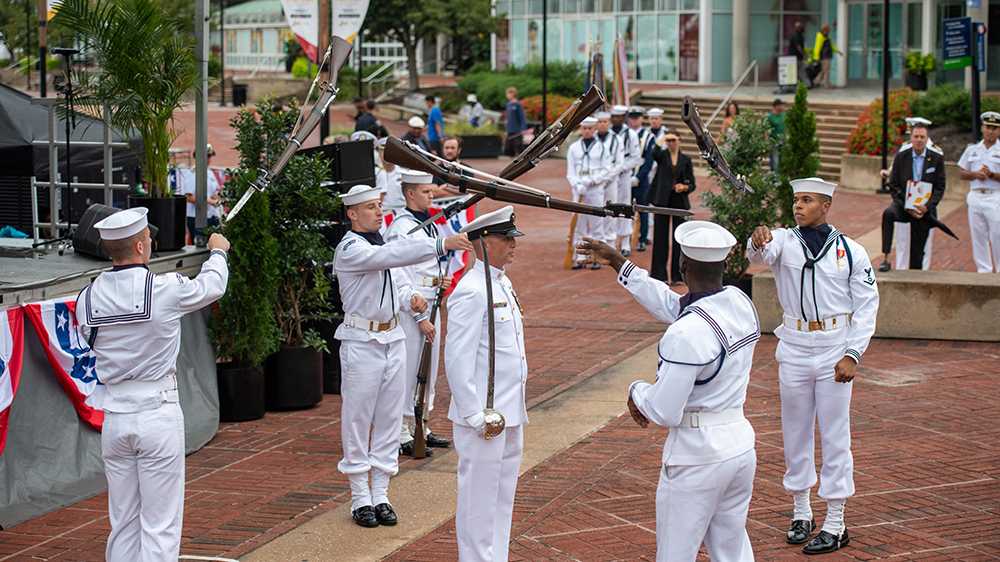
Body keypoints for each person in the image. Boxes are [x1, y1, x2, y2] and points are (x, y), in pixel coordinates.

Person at [576, 221, 760, 562]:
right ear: (722, 265)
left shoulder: (686, 333)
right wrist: (621, 264)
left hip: (697, 455)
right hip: (739, 447)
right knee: (732, 550)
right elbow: (675, 305)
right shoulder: (739, 302)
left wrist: (637, 390)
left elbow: (663, 411)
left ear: (683, 266)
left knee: (676, 554)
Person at [75, 208, 230, 561]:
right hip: (156, 410)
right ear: (143, 246)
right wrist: (218, 252)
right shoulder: (164, 289)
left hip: (115, 416)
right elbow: (212, 286)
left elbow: (90, 337)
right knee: (160, 525)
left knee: (124, 521)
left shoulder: (87, 298)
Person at [748, 177, 879, 555]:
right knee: (795, 431)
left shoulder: (851, 251)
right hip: (794, 345)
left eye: (807, 200)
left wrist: (853, 353)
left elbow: (867, 304)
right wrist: (756, 241)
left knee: (835, 434)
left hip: (834, 347)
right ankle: (801, 510)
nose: (798, 206)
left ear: (826, 205)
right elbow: (759, 256)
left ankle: (836, 521)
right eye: (796, 200)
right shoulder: (782, 240)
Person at [333, 184, 473, 528]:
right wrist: (442, 243)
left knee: (390, 417)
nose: (378, 211)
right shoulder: (351, 248)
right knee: (357, 419)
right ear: (352, 214)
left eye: (378, 205)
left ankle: (380, 493)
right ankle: (359, 496)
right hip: (361, 340)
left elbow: (397, 277)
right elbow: (390, 258)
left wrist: (413, 296)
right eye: (369, 207)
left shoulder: (380, 244)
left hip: (393, 337)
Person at [445, 205, 527, 562]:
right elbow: (457, 358)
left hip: (510, 413)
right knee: (479, 502)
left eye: (512, 238)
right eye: (505, 238)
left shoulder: (502, 283)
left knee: (501, 499)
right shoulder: (472, 290)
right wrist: (474, 414)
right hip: (484, 418)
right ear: (482, 242)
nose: (513, 245)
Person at [385, 172, 454, 457]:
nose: (431, 195)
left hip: (432, 302)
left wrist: (442, 282)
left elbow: (433, 263)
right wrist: (418, 317)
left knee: (429, 368)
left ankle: (421, 425)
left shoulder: (426, 225)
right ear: (410, 194)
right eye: (425, 192)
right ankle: (401, 429)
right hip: (413, 307)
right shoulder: (403, 228)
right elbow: (400, 275)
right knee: (411, 369)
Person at [878, 122, 946, 272]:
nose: (919, 139)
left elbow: (940, 187)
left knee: (917, 254)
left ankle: (916, 271)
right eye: (916, 136)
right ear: (912, 137)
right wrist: (906, 206)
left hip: (924, 209)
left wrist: (927, 207)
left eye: (922, 137)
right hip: (903, 204)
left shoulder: (936, 158)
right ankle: (886, 257)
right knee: (888, 214)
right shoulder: (902, 156)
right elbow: (893, 185)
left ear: (927, 138)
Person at [567, 116, 618, 270]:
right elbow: (570, 172)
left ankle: (597, 256)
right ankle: (580, 256)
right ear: (581, 129)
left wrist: (594, 180)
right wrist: (577, 184)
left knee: (597, 223)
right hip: (579, 190)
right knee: (579, 224)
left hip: (595, 189)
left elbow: (608, 169)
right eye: (584, 128)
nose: (587, 131)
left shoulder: (602, 148)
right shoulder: (574, 148)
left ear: (594, 129)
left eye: (590, 128)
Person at [649, 132, 696, 284]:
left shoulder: (686, 159)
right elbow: (653, 153)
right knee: (660, 239)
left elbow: (692, 184)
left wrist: (684, 187)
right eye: (668, 140)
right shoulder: (662, 156)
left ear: (679, 140)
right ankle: (659, 275)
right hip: (662, 201)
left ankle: (678, 276)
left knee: (678, 240)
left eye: (673, 140)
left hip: (679, 202)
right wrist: (660, 140)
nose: (671, 143)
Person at [957, 111, 1000, 273]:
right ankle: (984, 271)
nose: (991, 131)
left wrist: (992, 175)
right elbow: (961, 172)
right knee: (978, 236)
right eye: (988, 127)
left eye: (995, 128)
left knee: (997, 236)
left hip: (995, 196)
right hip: (975, 195)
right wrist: (975, 174)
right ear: (982, 128)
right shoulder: (972, 149)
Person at [610, 105, 643, 256]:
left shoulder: (631, 134)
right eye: (613, 116)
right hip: (608, 175)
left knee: (624, 207)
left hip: (623, 175)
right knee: (608, 207)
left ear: (624, 117)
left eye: (618, 116)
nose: (615, 119)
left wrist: (621, 167)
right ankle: (608, 240)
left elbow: (636, 157)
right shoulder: (607, 133)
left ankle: (625, 242)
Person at [636, 108, 668, 252]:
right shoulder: (645, 134)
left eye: (657, 118)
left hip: (660, 173)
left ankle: (656, 234)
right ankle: (647, 234)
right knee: (646, 202)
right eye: (652, 119)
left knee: (658, 203)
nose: (654, 121)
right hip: (647, 173)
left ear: (661, 119)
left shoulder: (666, 135)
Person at [180, 145, 224, 241]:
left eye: (209, 156)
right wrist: (210, 202)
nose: (208, 159)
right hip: (197, 217)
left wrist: (218, 198)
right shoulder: (192, 173)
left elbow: (214, 192)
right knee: (200, 246)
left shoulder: (209, 172)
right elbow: (189, 197)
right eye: (206, 156)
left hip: (212, 215)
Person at [377, 138, 405, 213]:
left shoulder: (404, 173)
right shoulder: (375, 174)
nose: (387, 155)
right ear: (379, 153)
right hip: (382, 214)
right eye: (383, 151)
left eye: (391, 152)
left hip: (401, 213)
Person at [503, 87, 528, 157]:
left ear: (512, 94)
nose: (507, 95)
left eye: (508, 94)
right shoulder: (508, 104)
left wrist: (523, 128)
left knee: (518, 145)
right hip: (510, 128)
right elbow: (507, 116)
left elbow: (522, 116)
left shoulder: (517, 104)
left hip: (517, 129)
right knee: (509, 147)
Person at [767, 99, 787, 173]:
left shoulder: (783, 115)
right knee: (775, 159)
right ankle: (775, 176)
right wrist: (766, 141)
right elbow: (766, 129)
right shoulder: (770, 117)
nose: (782, 107)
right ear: (776, 106)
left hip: (783, 140)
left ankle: (780, 174)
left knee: (782, 158)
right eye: (781, 105)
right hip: (774, 141)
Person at [788, 20, 809, 87]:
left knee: (799, 71)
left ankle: (801, 84)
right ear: (797, 28)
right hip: (795, 57)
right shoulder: (796, 35)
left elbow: (802, 46)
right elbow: (798, 47)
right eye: (800, 27)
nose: (802, 28)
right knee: (799, 71)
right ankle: (804, 84)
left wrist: (805, 54)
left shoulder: (800, 35)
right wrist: (804, 54)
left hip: (797, 57)